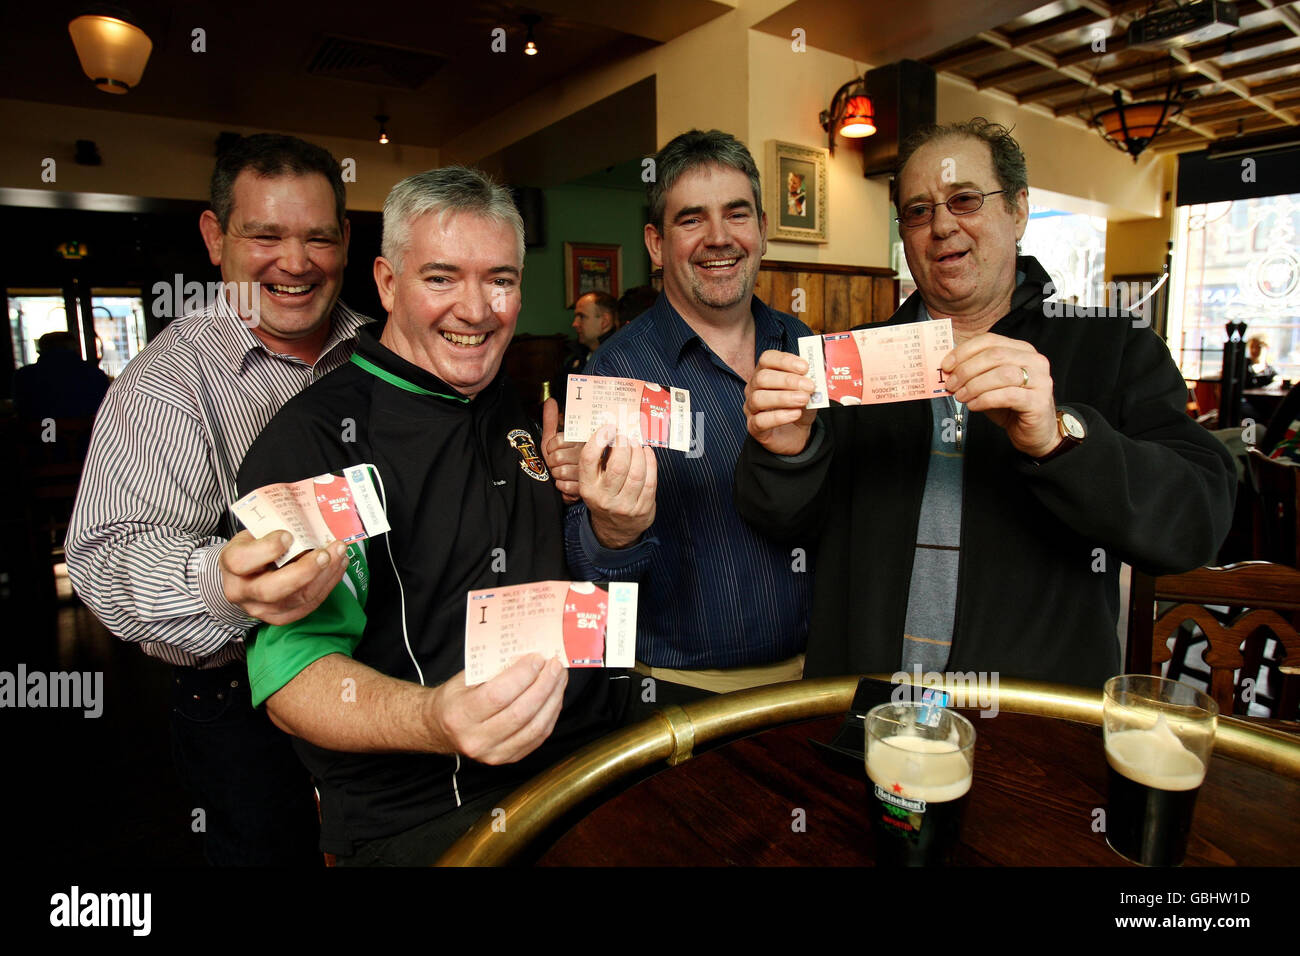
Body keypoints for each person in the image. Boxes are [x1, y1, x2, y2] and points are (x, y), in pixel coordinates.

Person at [735, 118, 1236, 689]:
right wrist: (786, 453)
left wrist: (1059, 437)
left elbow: (1195, 524)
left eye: (965, 200)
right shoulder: (856, 359)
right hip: (865, 709)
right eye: (919, 211)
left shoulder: (1113, 348)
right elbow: (781, 526)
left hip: (1033, 726)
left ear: (1018, 210)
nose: (942, 226)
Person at [234, 166, 618, 866]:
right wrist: (435, 718)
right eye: (441, 278)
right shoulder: (320, 438)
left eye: (500, 279)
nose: (476, 309)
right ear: (386, 282)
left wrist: (609, 518)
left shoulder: (530, 407)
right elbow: (293, 674)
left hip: (588, 768)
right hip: (428, 813)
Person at [66, 134, 370, 865]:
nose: (295, 263)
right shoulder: (165, 382)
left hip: (389, 668)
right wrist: (222, 580)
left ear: (346, 242)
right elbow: (106, 560)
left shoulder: (383, 348)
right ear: (215, 237)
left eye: (318, 238)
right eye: (265, 235)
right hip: (243, 704)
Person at [544, 130, 814, 712]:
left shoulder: (805, 345)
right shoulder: (614, 371)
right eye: (692, 220)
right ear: (657, 244)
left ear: (762, 228)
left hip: (817, 683)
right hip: (677, 698)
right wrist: (611, 530)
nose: (719, 238)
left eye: (736, 214)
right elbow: (583, 567)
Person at [12, 331, 110, 420]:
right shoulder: (95, 374)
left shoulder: (24, 376)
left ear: (41, 349)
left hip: (40, 436)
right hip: (87, 436)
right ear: (75, 347)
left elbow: (21, 409)